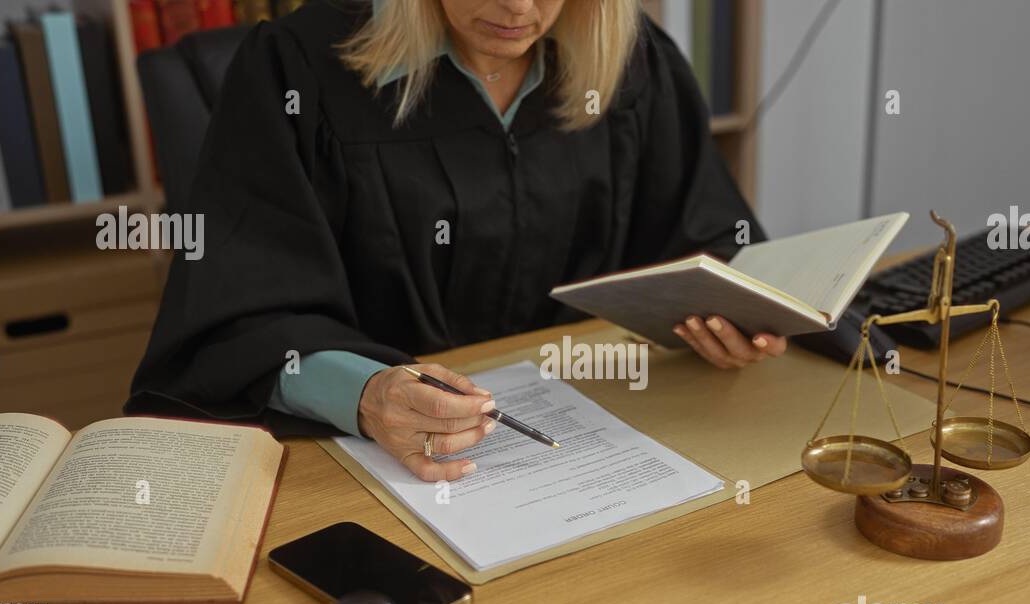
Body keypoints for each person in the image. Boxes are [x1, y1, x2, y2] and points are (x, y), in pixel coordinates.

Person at [128, 0, 787, 481]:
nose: (519, 7)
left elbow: (702, 234)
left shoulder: (630, 59)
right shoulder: (296, 71)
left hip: (595, 438)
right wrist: (365, 394)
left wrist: (728, 313)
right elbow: (236, 316)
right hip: (365, 463)